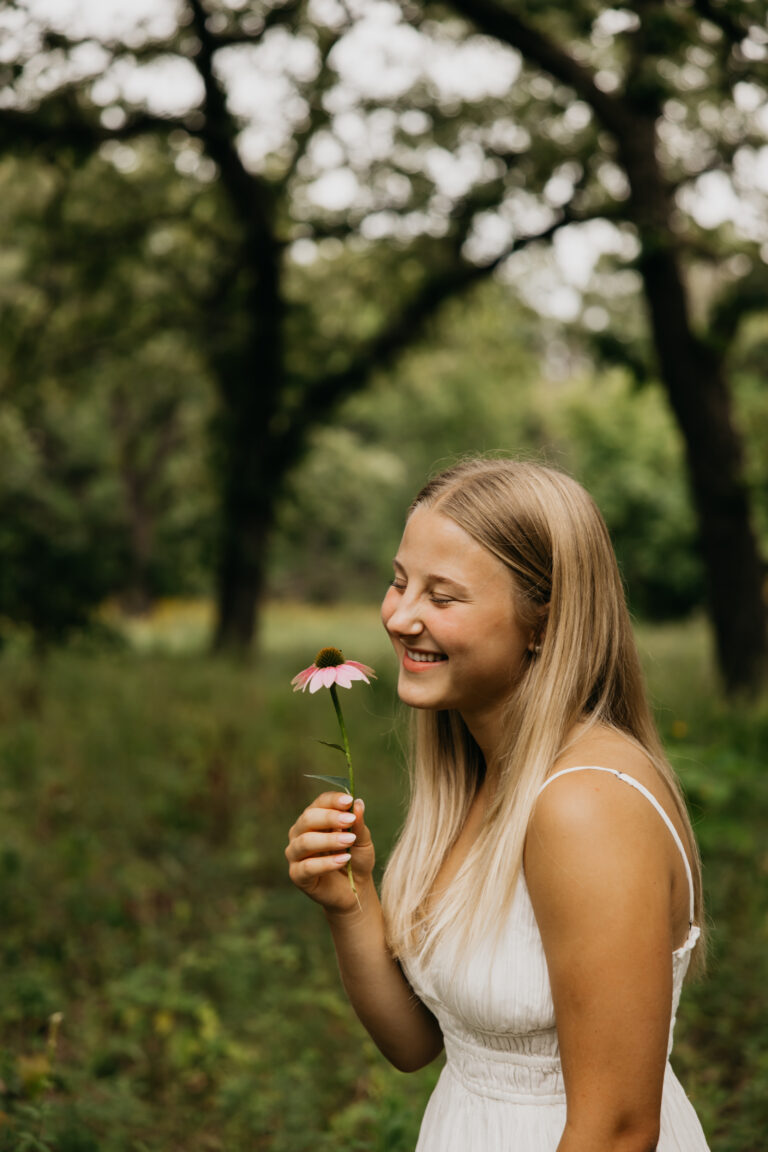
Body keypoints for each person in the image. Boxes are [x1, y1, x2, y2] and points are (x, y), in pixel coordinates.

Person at [286, 458, 710, 1151]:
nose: (399, 617)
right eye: (399, 581)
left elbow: (617, 1131)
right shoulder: (482, 776)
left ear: (543, 622)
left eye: (443, 597)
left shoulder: (585, 807)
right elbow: (420, 1045)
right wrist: (350, 900)